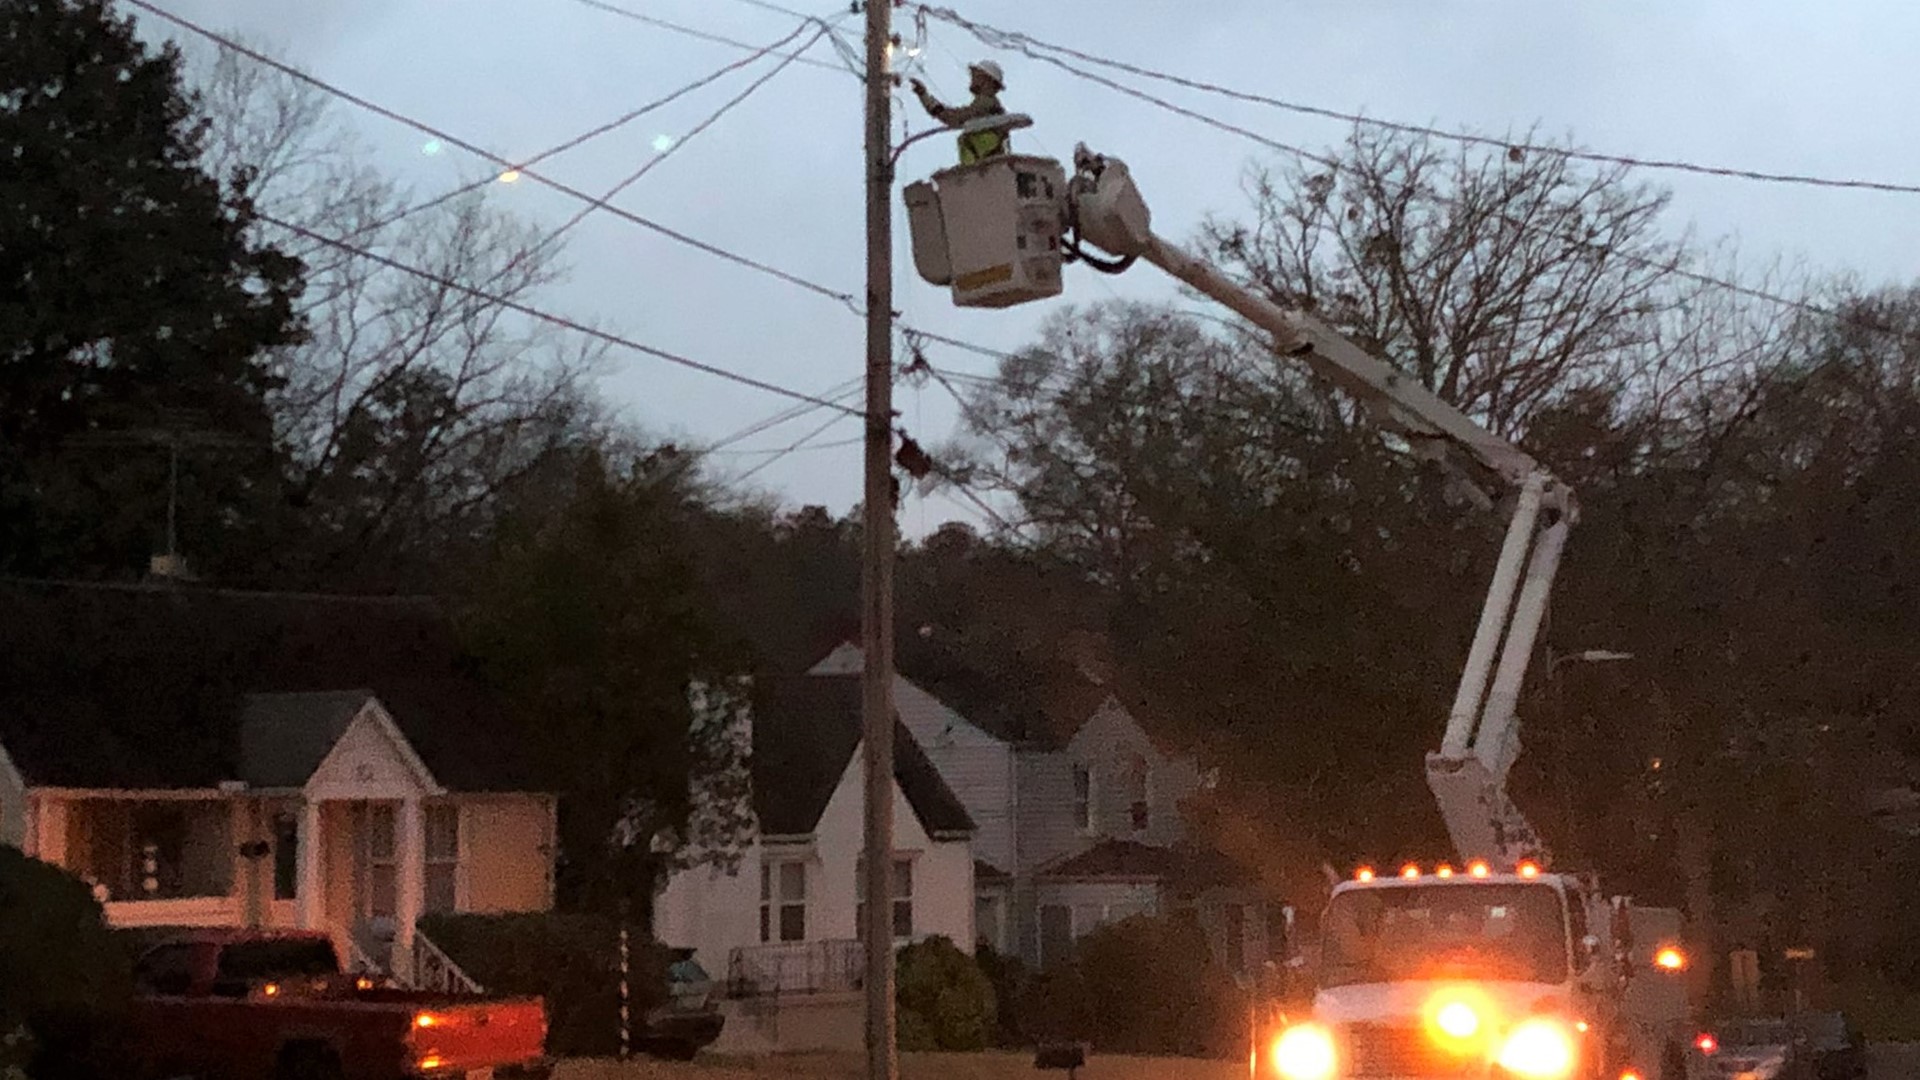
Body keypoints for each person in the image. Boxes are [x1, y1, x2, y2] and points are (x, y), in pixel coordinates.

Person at [910, 60, 1009, 165]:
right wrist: (926, 98)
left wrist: (925, 97)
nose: (973, 79)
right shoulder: (987, 103)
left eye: (976, 76)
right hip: (987, 164)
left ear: (987, 80)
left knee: (965, 139)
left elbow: (956, 117)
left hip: (987, 163)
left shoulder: (987, 102)